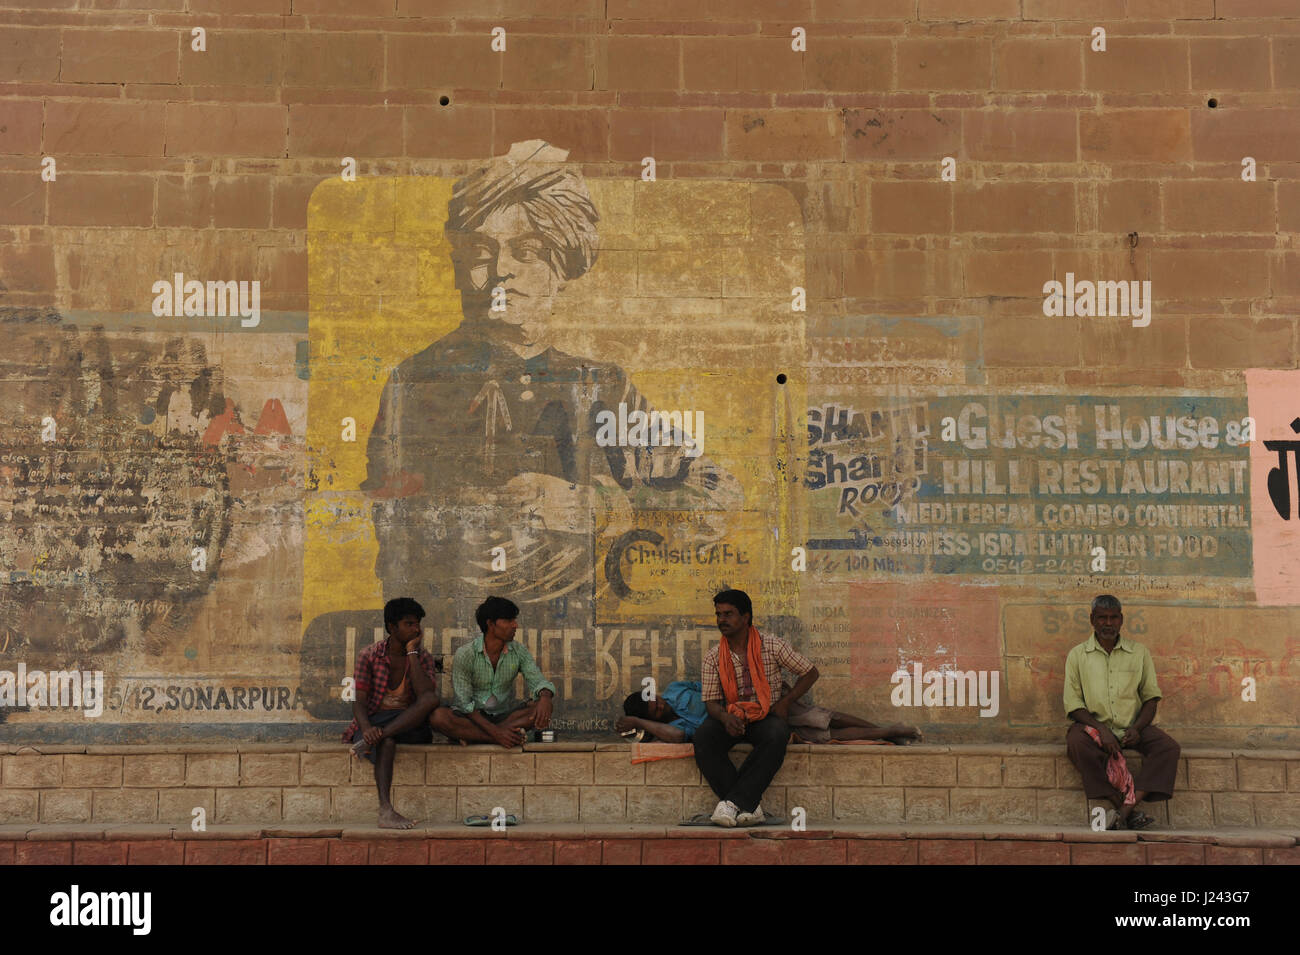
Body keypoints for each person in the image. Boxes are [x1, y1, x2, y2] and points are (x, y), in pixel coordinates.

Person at [695, 588, 818, 827]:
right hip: (733, 716)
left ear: (746, 617)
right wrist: (724, 718)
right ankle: (749, 806)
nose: (722, 620)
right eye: (719, 614)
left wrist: (785, 702)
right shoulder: (713, 657)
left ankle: (731, 804)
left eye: (729, 614)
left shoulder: (771, 645)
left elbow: (810, 673)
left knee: (777, 734)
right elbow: (711, 702)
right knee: (703, 736)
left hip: (766, 715)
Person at [1063, 594, 1180, 830]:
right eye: (1102, 618)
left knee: (1168, 748)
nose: (1108, 623)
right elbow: (1073, 704)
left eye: (1113, 617)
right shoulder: (1078, 655)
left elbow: (1150, 698)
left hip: (1132, 727)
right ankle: (1126, 809)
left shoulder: (1139, 652)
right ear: (1092, 620)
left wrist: (1137, 728)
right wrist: (1102, 729)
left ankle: (1124, 811)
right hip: (1095, 728)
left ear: (1121, 619)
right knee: (1076, 743)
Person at [342, 597, 440, 829]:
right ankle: (386, 811)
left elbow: (427, 695)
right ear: (392, 627)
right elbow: (359, 701)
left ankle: (380, 736)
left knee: (432, 699)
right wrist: (367, 731)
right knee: (386, 743)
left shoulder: (422, 656)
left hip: (410, 724)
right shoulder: (369, 655)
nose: (416, 629)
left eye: (417, 624)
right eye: (409, 624)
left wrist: (411, 654)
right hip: (375, 720)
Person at [430, 595, 557, 748]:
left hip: (503, 717)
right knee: (438, 717)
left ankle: (473, 737)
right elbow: (464, 704)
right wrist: (497, 734)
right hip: (471, 718)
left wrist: (545, 696)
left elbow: (538, 681)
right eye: (508, 620)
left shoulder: (518, 651)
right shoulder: (466, 653)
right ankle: (500, 737)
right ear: (490, 624)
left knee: (540, 707)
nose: (515, 625)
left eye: (514, 620)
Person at [618, 680, 707, 742]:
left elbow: (707, 688)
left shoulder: (674, 688)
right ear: (650, 720)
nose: (662, 705)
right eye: (656, 711)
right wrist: (638, 722)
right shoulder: (666, 731)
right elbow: (679, 735)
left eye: (657, 700)